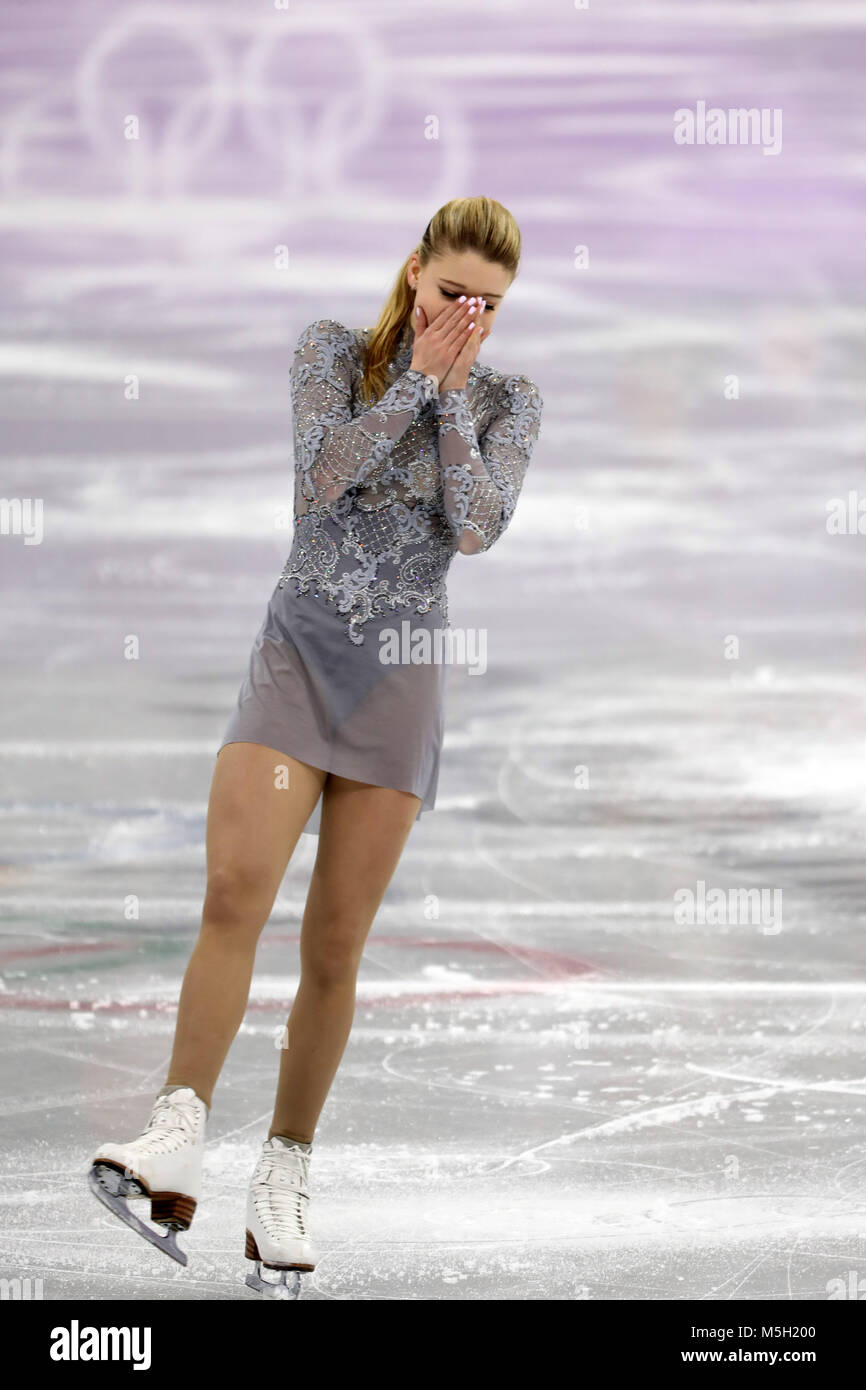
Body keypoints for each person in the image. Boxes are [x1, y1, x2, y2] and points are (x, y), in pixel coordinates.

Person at [87, 195, 544, 1296]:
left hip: (395, 684)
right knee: (234, 891)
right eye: (449, 294)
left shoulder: (509, 401)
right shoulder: (330, 353)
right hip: (300, 654)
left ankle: (283, 1179)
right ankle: (175, 1132)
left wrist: (442, 398)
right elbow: (320, 476)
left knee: (334, 946)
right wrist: (408, 385)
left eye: (486, 305)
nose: (465, 318)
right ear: (411, 271)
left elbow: (476, 526)